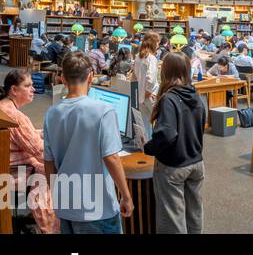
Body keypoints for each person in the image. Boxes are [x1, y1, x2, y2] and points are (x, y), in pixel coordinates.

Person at [42, 51, 134, 233]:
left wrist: (55, 195)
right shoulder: (103, 111)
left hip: (66, 204)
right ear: (91, 77)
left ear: (62, 79)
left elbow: (48, 161)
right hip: (98, 208)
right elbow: (112, 158)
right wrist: (126, 195)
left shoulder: (51, 113)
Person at [143, 52, 206, 234]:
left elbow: (167, 135)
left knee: (172, 218)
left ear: (165, 73)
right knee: (194, 214)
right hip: (196, 163)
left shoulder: (169, 99)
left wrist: (148, 147)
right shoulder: (197, 95)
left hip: (173, 167)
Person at [1, 69, 57, 233]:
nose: (33, 89)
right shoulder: (17, 117)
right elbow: (40, 151)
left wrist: (39, 134)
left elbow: (26, 139)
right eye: (28, 85)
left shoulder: (4, 107)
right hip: (13, 173)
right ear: (14, 90)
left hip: (8, 166)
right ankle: (51, 227)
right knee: (51, 173)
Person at [133, 31, 161, 117]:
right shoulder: (152, 58)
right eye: (157, 43)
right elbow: (151, 78)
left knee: (144, 122)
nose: (158, 45)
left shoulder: (138, 56)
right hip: (150, 95)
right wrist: (148, 92)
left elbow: (134, 75)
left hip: (140, 94)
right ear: (153, 43)